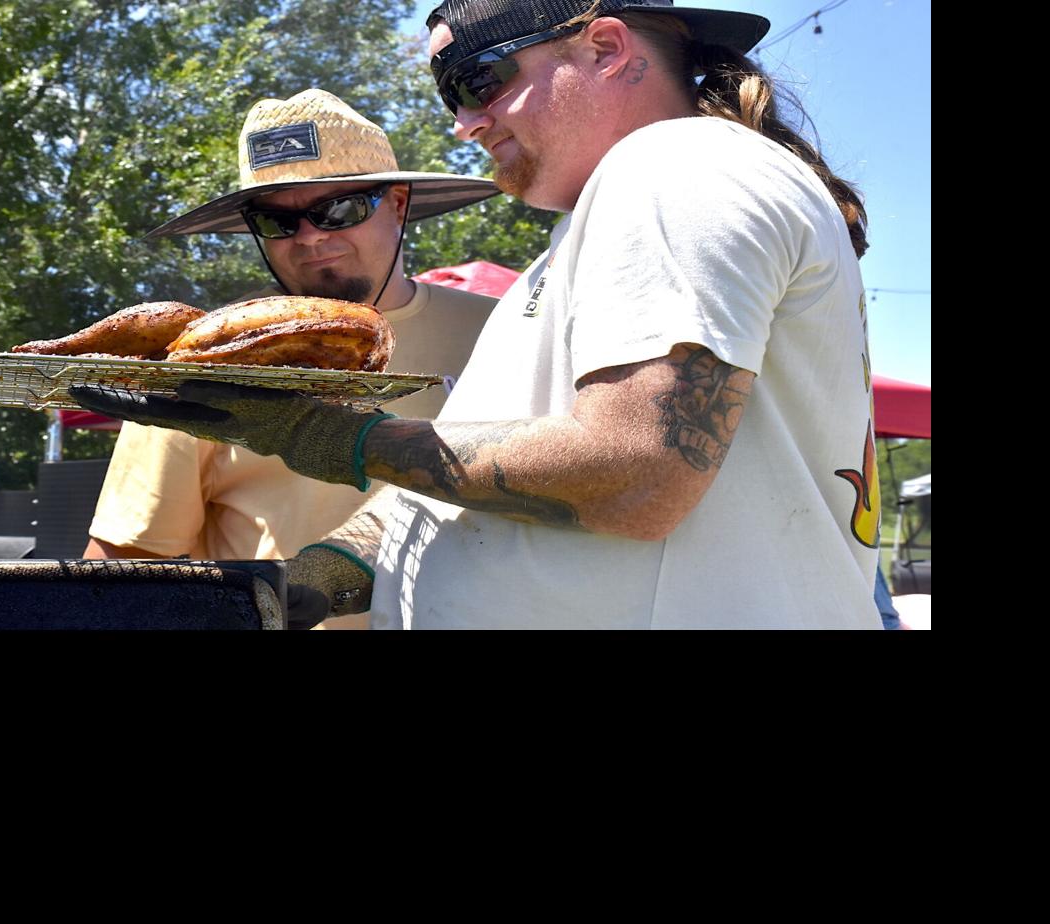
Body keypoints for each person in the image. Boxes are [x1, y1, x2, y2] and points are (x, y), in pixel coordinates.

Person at [75, 0, 881, 629]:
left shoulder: (673, 165)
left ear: (605, 47)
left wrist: (336, 438)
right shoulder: (593, 229)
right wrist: (313, 581)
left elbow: (637, 473)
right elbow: (462, 484)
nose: (464, 124)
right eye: (450, 97)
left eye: (477, 81)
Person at [80, 88, 501, 628]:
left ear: (397, 204)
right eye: (277, 221)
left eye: (338, 209)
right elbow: (122, 565)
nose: (309, 237)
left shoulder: (501, 328)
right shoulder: (200, 363)